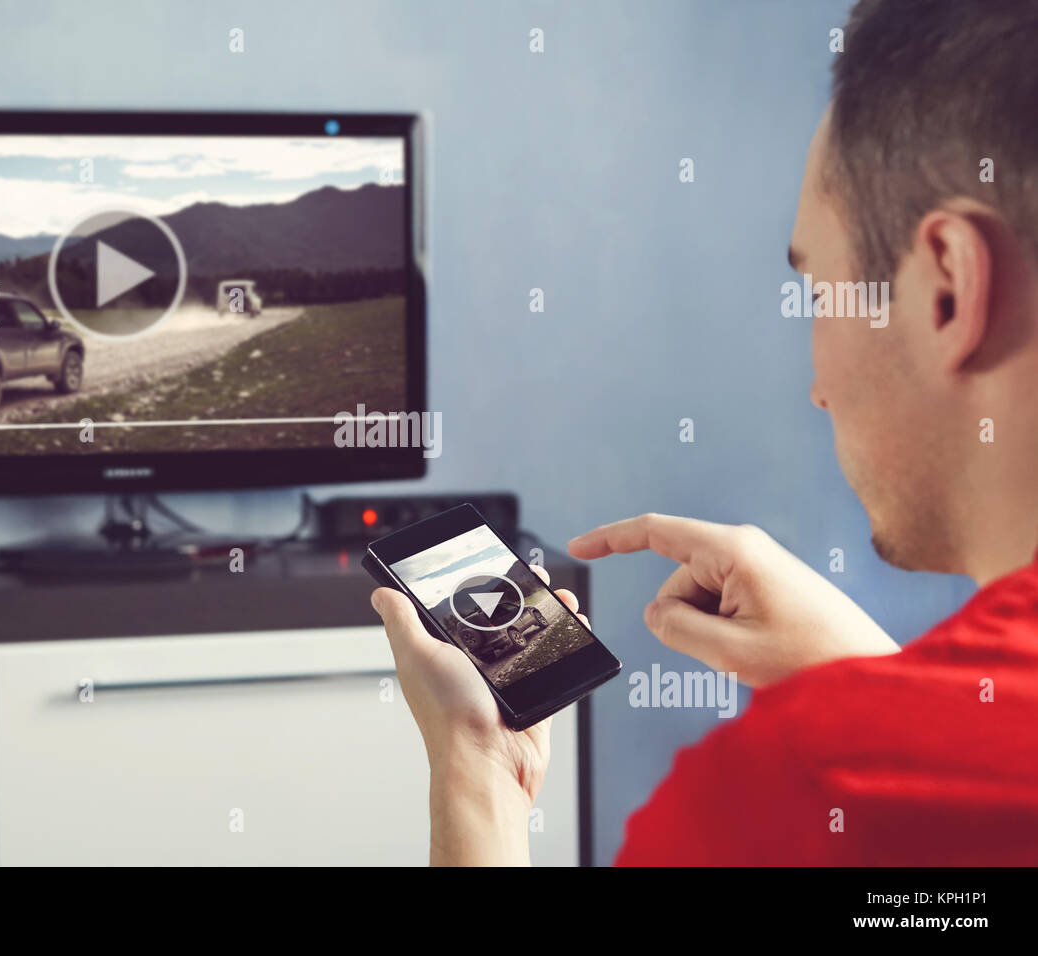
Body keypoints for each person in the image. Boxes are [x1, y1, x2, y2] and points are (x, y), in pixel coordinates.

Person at [371, 0, 1038, 865]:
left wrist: (477, 773)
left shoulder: (781, 798)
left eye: (816, 291)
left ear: (946, 288)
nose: (817, 389)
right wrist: (876, 688)